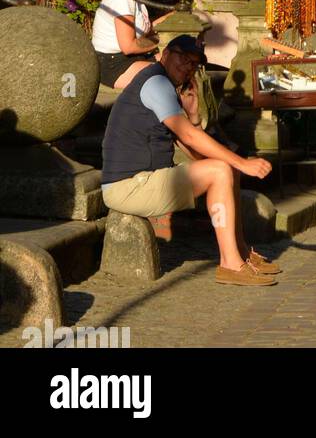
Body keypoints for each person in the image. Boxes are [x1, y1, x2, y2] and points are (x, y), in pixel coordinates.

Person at [101, 36, 277, 285]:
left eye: (193, 64)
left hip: (144, 180)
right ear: (165, 55)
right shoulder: (156, 83)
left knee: (224, 169)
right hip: (129, 186)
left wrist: (193, 116)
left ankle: (241, 253)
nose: (187, 67)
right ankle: (230, 264)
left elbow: (194, 150)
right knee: (221, 170)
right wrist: (242, 162)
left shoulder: (164, 88)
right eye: (182, 58)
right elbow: (189, 137)